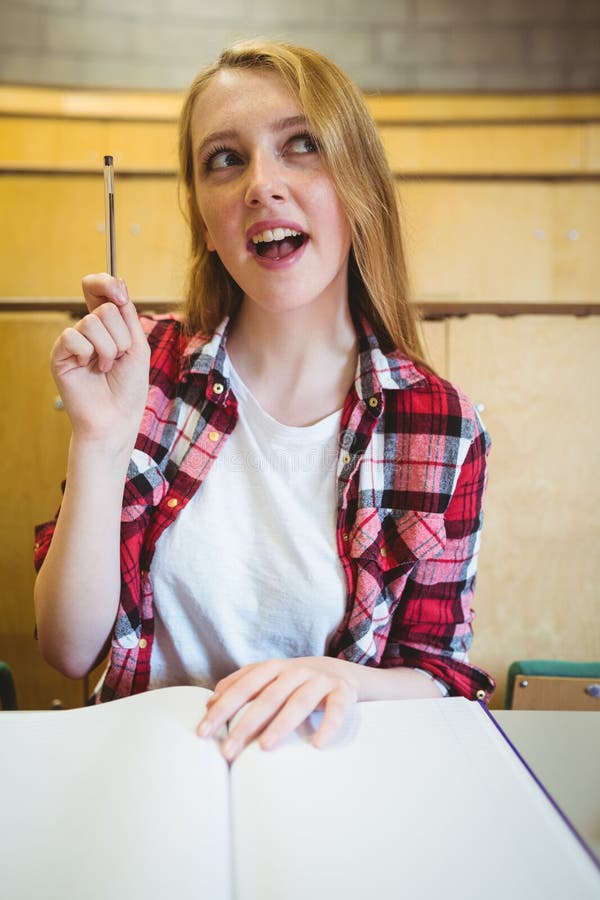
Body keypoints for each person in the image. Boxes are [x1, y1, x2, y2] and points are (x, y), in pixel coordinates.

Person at [34, 39, 495, 761]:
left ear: (358, 182)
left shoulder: (439, 422)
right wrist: (99, 440)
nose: (262, 185)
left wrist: (337, 677)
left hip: (322, 779)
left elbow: (442, 673)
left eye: (301, 145)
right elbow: (67, 649)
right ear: (206, 223)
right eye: (226, 158)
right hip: (143, 771)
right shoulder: (141, 369)